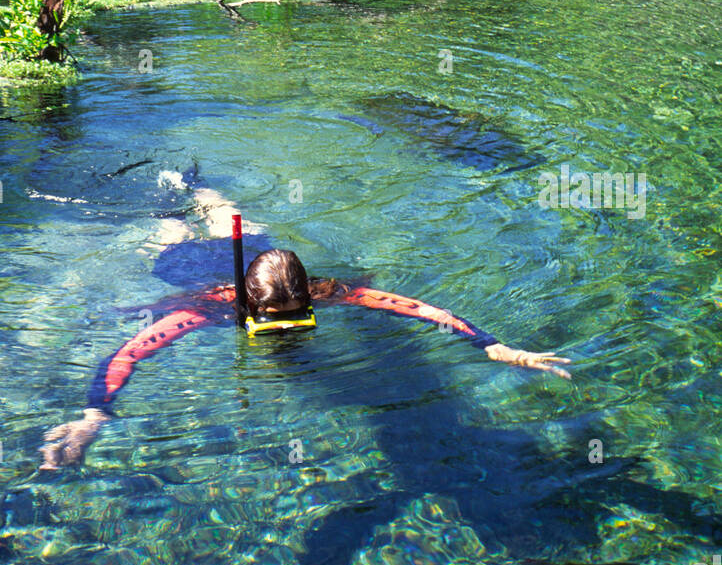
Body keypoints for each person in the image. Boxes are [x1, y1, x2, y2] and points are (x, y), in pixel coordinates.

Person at [40, 182, 571, 471]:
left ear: (308, 294)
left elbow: (420, 309)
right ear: (251, 305)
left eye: (296, 318)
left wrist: (492, 345)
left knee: (228, 215)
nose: (289, 327)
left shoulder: (326, 291)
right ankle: (170, 195)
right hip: (188, 266)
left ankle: (199, 187)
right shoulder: (203, 310)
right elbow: (127, 354)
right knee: (173, 231)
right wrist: (93, 417)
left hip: (251, 251)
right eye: (275, 320)